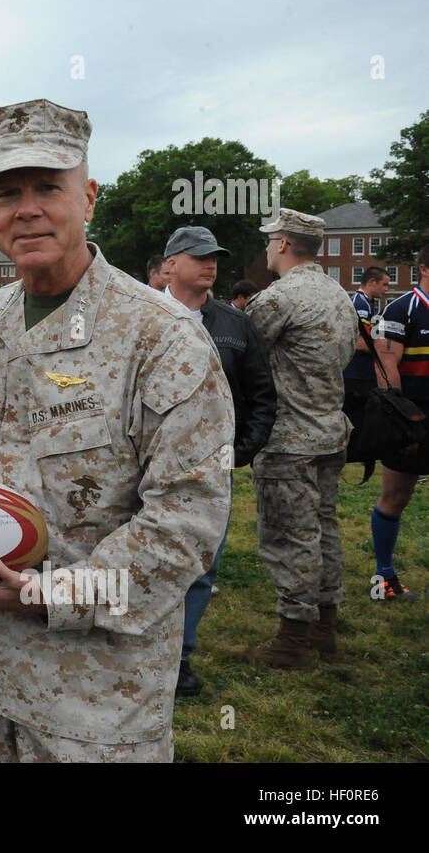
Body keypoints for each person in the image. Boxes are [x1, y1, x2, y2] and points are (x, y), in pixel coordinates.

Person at [0, 98, 234, 762]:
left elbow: (188, 525)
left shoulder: (161, 337)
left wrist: (47, 593)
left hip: (95, 704)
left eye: (47, 187)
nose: (26, 207)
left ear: (88, 196)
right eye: (8, 191)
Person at [239, 209, 358, 667]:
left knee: (291, 536)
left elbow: (247, 354)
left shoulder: (280, 298)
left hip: (289, 437)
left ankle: (292, 641)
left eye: (270, 241)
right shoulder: (337, 294)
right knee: (325, 529)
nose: (267, 248)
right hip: (329, 430)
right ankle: (324, 629)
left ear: (284, 244)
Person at [161, 226, 277, 696]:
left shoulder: (235, 323)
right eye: (198, 256)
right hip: (149, 468)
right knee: (144, 559)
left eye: (215, 257)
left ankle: (181, 657)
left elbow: (263, 393)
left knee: (202, 567)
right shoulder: (136, 315)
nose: (210, 264)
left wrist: (240, 451)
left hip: (213, 471)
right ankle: (138, 647)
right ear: (170, 264)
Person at [366, 246, 429, 601]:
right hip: (413, 418)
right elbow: (385, 366)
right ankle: (384, 576)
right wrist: (403, 422)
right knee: (396, 496)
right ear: (424, 269)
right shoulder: (402, 309)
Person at [341, 267, 390, 427]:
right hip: (356, 374)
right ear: (372, 282)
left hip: (362, 373)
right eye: (384, 284)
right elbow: (360, 342)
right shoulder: (360, 304)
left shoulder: (368, 303)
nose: (387, 289)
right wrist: (385, 356)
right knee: (358, 421)